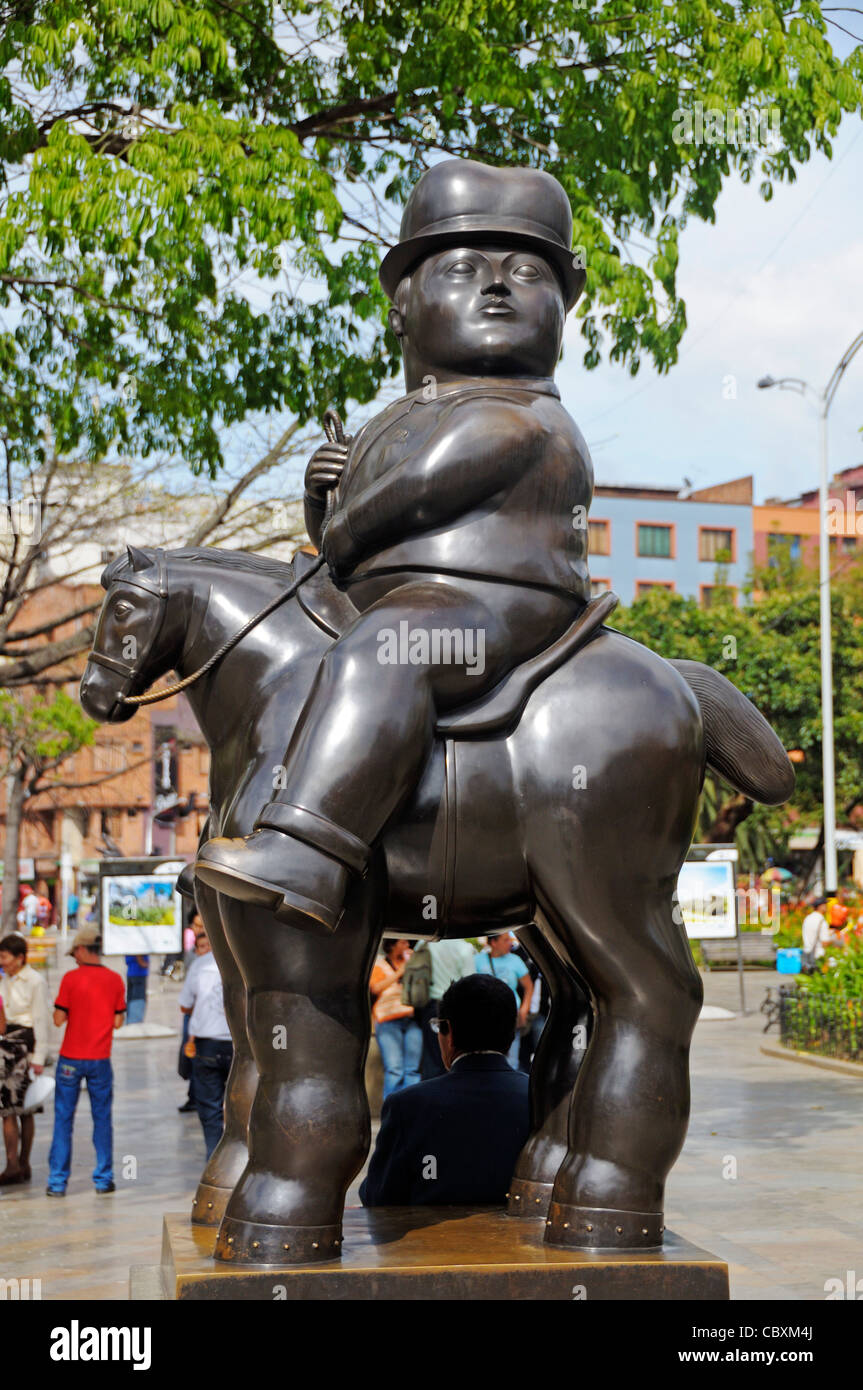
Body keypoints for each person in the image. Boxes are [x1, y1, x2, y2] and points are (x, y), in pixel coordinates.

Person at [196, 160, 591, 939]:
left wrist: (344, 522)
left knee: (392, 645)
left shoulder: (520, 415)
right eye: (463, 269)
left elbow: (408, 501)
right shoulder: (403, 417)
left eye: (525, 272)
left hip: (496, 606)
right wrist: (324, 497)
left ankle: (305, 844)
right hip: (394, 593)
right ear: (403, 311)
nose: (498, 286)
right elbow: (343, 542)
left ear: (559, 312)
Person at [360, 974, 529, 1206]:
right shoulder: (540, 1099)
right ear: (512, 1031)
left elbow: (379, 1196)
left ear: (448, 1032)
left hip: (430, 1241)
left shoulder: (407, 1106)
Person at [47, 925, 126, 1196]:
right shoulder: (116, 980)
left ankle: (57, 1182)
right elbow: (118, 1021)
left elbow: (58, 1020)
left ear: (81, 949)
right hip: (100, 1059)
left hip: (70, 1058)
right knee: (102, 1118)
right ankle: (104, 1179)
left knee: (63, 1119)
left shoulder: (70, 979)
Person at [0, 934, 50, 1184]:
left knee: (25, 1109)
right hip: (5, 1046)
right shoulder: (4, 980)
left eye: (5, 957)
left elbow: (41, 1020)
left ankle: (23, 1161)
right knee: (7, 1108)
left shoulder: (35, 981)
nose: (2, 962)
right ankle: (11, 1164)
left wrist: (39, 1056)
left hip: (24, 1047)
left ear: (20, 958)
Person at [178, 926, 232, 1156]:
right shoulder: (238, 963)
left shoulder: (200, 965)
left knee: (210, 1109)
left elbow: (184, 1005)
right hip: (236, 1045)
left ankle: (214, 1160)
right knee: (238, 1105)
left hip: (207, 1044)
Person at [369, 939, 422, 1099]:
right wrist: (400, 972)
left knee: (412, 1070)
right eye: (403, 943)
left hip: (411, 1019)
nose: (407, 946)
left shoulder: (411, 964)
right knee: (394, 1069)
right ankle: (392, 1112)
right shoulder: (379, 963)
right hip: (387, 1021)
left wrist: (415, 966)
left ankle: (411, 1111)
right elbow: (375, 988)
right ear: (392, 945)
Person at [418, 938, 476, 1079]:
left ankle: (430, 1096)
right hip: (455, 1008)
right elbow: (470, 981)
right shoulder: (464, 948)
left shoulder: (424, 943)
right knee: (455, 1056)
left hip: (428, 1007)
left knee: (430, 1058)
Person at [475, 933, 533, 1068]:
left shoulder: (515, 960)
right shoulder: (478, 960)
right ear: (493, 942)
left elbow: (529, 986)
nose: (510, 943)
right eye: (506, 940)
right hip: (486, 1017)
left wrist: (524, 1009)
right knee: (485, 1057)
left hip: (511, 1015)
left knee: (511, 1060)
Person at [802, 897, 831, 970]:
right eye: (825, 904)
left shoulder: (808, 918)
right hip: (818, 957)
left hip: (807, 955)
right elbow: (825, 942)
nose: (827, 906)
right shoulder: (822, 921)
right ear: (820, 906)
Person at [124, 953, 150, 1023]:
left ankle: (129, 1022)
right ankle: (133, 1024)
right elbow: (138, 950)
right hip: (138, 973)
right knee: (138, 1000)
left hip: (131, 972)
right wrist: (142, 962)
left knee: (131, 1000)